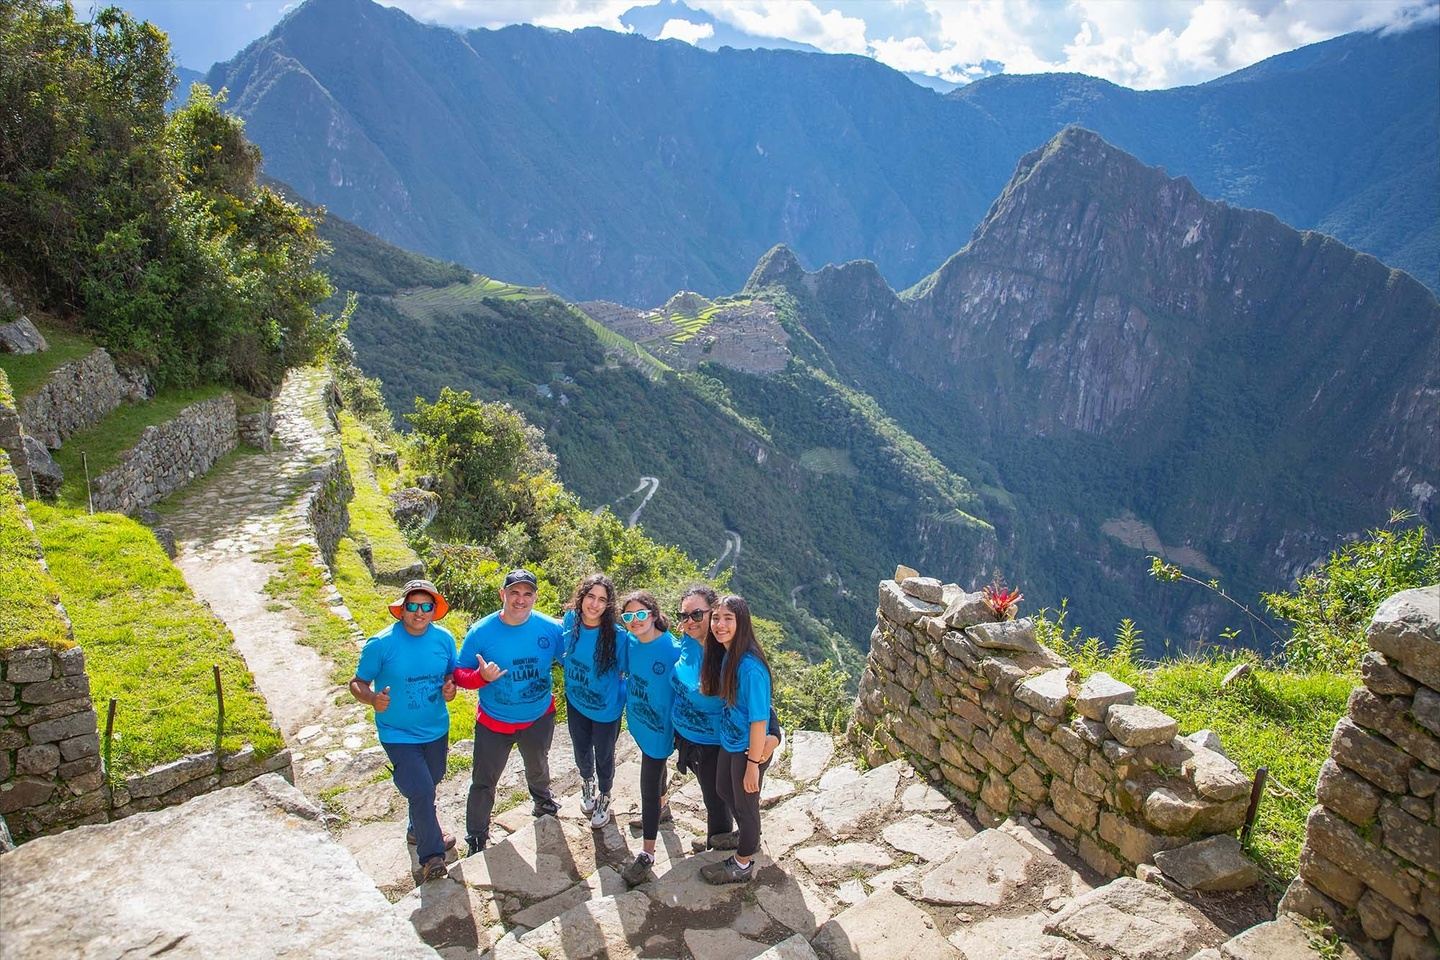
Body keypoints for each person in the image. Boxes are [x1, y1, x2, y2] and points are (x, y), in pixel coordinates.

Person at [349, 579, 458, 883]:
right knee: (421, 789)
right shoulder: (381, 643)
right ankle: (432, 856)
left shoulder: (444, 639)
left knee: (431, 781)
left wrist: (450, 687)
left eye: (426, 606)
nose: (419, 612)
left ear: (434, 610)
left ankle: (416, 828)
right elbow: (357, 682)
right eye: (413, 605)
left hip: (436, 728)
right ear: (402, 608)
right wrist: (372, 698)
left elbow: (450, 674)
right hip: (397, 732)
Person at [453, 568, 565, 856]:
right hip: (494, 720)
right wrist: (480, 677)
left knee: (538, 765)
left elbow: (572, 661)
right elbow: (460, 673)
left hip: (538, 716)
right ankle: (476, 836)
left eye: (527, 593)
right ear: (502, 594)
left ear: (535, 597)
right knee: (484, 781)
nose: (520, 599)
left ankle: (542, 802)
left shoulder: (550, 628)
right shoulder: (481, 632)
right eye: (514, 592)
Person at [670, 585, 783, 854]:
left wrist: (774, 736)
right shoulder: (688, 639)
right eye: (684, 615)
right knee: (717, 793)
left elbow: (759, 704)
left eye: (697, 615)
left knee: (720, 799)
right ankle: (723, 838)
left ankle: (729, 846)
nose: (690, 621)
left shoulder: (728, 650)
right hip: (690, 737)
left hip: (717, 741)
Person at [699, 594, 774, 885]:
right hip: (731, 740)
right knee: (723, 789)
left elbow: (760, 719)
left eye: (728, 619)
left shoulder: (750, 667)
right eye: (716, 618)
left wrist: (753, 764)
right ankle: (745, 834)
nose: (720, 625)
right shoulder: (730, 654)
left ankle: (743, 862)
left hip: (747, 748)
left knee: (745, 805)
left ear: (741, 622)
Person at [616, 590, 683, 887]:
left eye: (641, 614)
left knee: (648, 786)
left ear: (654, 615)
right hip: (641, 723)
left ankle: (647, 853)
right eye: (629, 616)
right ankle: (663, 807)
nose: (635, 620)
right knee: (655, 774)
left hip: (661, 729)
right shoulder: (630, 642)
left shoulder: (672, 650)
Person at [561, 573, 628, 828]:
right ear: (581, 597)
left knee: (604, 755)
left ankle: (605, 793)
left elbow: (630, 671)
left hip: (606, 710)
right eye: (591, 596)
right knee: (580, 748)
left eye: (602, 599)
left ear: (608, 605)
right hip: (576, 702)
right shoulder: (571, 620)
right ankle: (587, 782)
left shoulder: (617, 637)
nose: (595, 604)